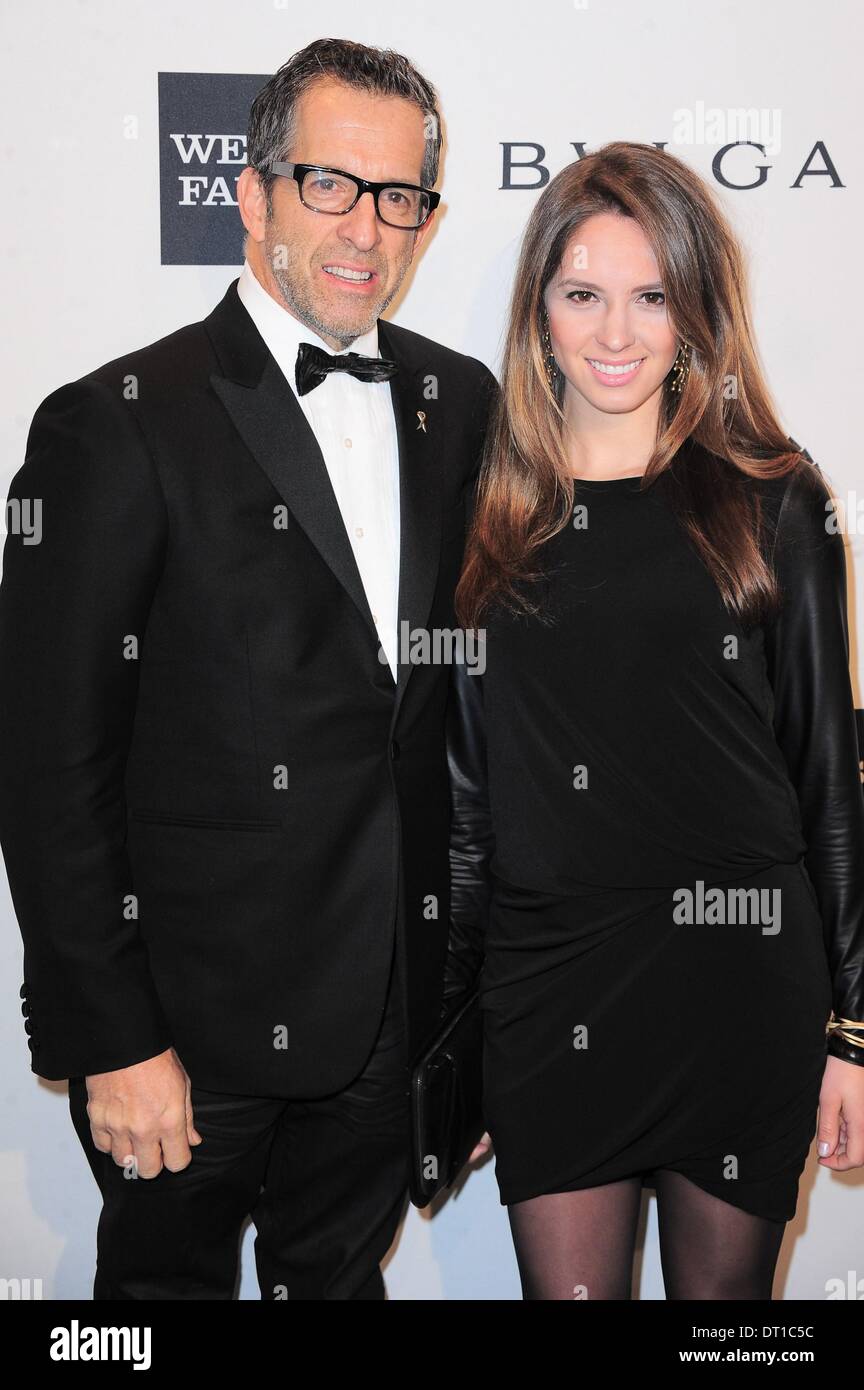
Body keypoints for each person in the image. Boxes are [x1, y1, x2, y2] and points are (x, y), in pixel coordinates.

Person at [0, 37, 496, 1300]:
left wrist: (465, 1020)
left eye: (399, 197)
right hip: (184, 1033)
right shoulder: (115, 423)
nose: (367, 229)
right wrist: (114, 1038)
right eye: (330, 184)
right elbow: (50, 767)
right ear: (252, 191)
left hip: (388, 1016)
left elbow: (463, 728)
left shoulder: (463, 404)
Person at [457, 141, 864, 1300]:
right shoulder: (488, 512)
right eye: (583, 294)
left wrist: (855, 1030)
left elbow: (829, 778)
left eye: (652, 297)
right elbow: (469, 800)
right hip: (550, 992)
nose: (617, 334)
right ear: (540, 311)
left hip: (739, 988)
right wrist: (457, 1033)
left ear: (696, 314)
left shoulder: (777, 498)